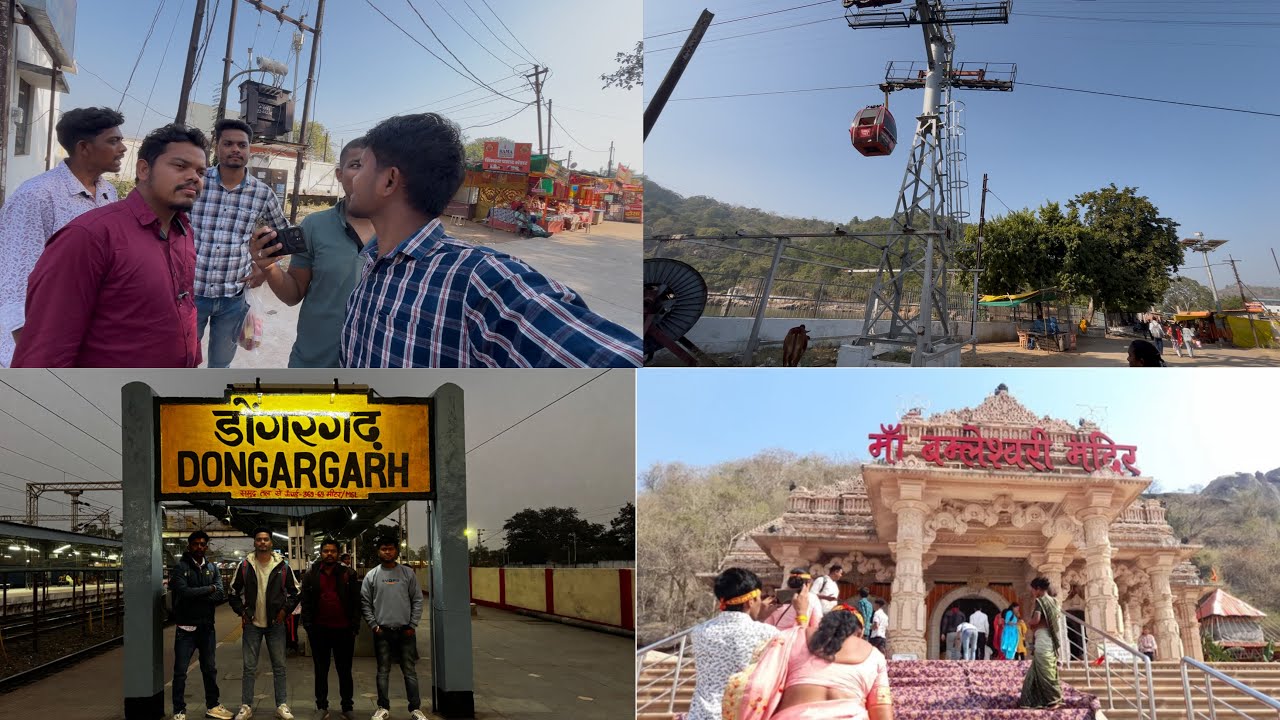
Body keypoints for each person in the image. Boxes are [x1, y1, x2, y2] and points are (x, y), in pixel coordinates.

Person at [339, 113, 642, 368]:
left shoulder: (481, 281)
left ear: (389, 180)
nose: (352, 179)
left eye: (361, 166)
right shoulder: (373, 262)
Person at [12, 124, 206, 368]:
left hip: (170, 394)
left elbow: (184, 307)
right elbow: (45, 353)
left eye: (201, 171)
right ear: (144, 170)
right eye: (180, 166)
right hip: (110, 400)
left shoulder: (183, 231)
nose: (194, 177)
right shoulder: (89, 237)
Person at [0, 106, 125, 366]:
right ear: (84, 147)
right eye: (113, 141)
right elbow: (13, 280)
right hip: (44, 338)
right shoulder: (36, 196)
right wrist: (31, 352)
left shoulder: (108, 192)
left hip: (92, 332)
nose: (123, 148)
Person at [247, 138, 375, 368]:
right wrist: (268, 267)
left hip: (375, 369)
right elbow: (293, 294)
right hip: (315, 364)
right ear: (339, 173)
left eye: (371, 167)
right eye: (356, 165)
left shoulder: (400, 232)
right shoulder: (315, 225)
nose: (363, 175)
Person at [190, 118, 289, 368]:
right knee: (183, 361)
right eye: (228, 143)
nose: (236, 149)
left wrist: (264, 269)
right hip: (191, 293)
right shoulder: (197, 183)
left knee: (221, 366)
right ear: (216, 146)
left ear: (249, 149)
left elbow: (283, 236)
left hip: (233, 298)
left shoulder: (262, 192)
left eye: (242, 145)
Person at [724, 606, 892, 720]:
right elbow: (880, 708)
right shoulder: (875, 656)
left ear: (823, 624)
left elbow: (759, 684)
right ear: (860, 632)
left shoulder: (791, 637)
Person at [686, 568, 784, 720]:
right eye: (759, 598)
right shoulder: (768, 633)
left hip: (699, 715)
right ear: (750, 601)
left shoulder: (699, 632)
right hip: (740, 714)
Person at [228, 527, 300, 720]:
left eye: (266, 539)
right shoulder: (245, 566)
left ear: (271, 543)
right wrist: (242, 612)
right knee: (249, 667)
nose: (262, 542)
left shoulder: (283, 566)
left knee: (280, 666)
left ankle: (281, 705)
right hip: (252, 624)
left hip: (275, 624)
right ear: (254, 543)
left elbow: (295, 593)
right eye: (259, 539)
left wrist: (284, 612)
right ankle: (246, 706)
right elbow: (233, 593)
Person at [361, 536, 428, 720]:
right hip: (382, 632)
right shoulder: (372, 575)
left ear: (396, 552)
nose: (387, 552)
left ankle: (415, 709)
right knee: (383, 671)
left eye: (391, 549)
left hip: (406, 631)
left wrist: (412, 624)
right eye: (384, 549)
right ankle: (383, 707)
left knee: (409, 671)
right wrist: (374, 626)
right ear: (378, 552)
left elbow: (417, 599)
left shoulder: (408, 574)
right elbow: (365, 603)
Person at [169, 531, 234, 720]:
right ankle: (179, 710)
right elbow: (183, 592)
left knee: (210, 669)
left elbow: (220, 594)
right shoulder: (180, 568)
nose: (199, 547)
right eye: (196, 544)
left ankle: (213, 706)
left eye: (202, 544)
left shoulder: (212, 568)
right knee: (180, 672)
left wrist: (199, 594)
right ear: (189, 546)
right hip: (185, 629)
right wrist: (209, 590)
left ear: (206, 547)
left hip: (207, 627)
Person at [300, 538, 360, 720]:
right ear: (321, 552)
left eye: (333, 551)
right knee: (321, 670)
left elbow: (356, 602)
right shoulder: (311, 575)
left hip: (344, 631)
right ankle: (321, 706)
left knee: (345, 670)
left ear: (337, 553)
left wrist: (354, 626)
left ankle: (347, 707)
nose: (329, 554)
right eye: (326, 551)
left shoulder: (349, 574)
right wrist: (309, 626)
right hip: (320, 631)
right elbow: (306, 602)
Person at [1019, 576, 1064, 709]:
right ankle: (1037, 700)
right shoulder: (1054, 602)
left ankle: (1054, 699)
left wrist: (1028, 622)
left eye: (1033, 590)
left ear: (1038, 589)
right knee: (1037, 670)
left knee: (1045, 669)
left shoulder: (1041, 601)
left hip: (1043, 637)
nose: (1032, 592)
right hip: (1050, 637)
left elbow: (1036, 620)